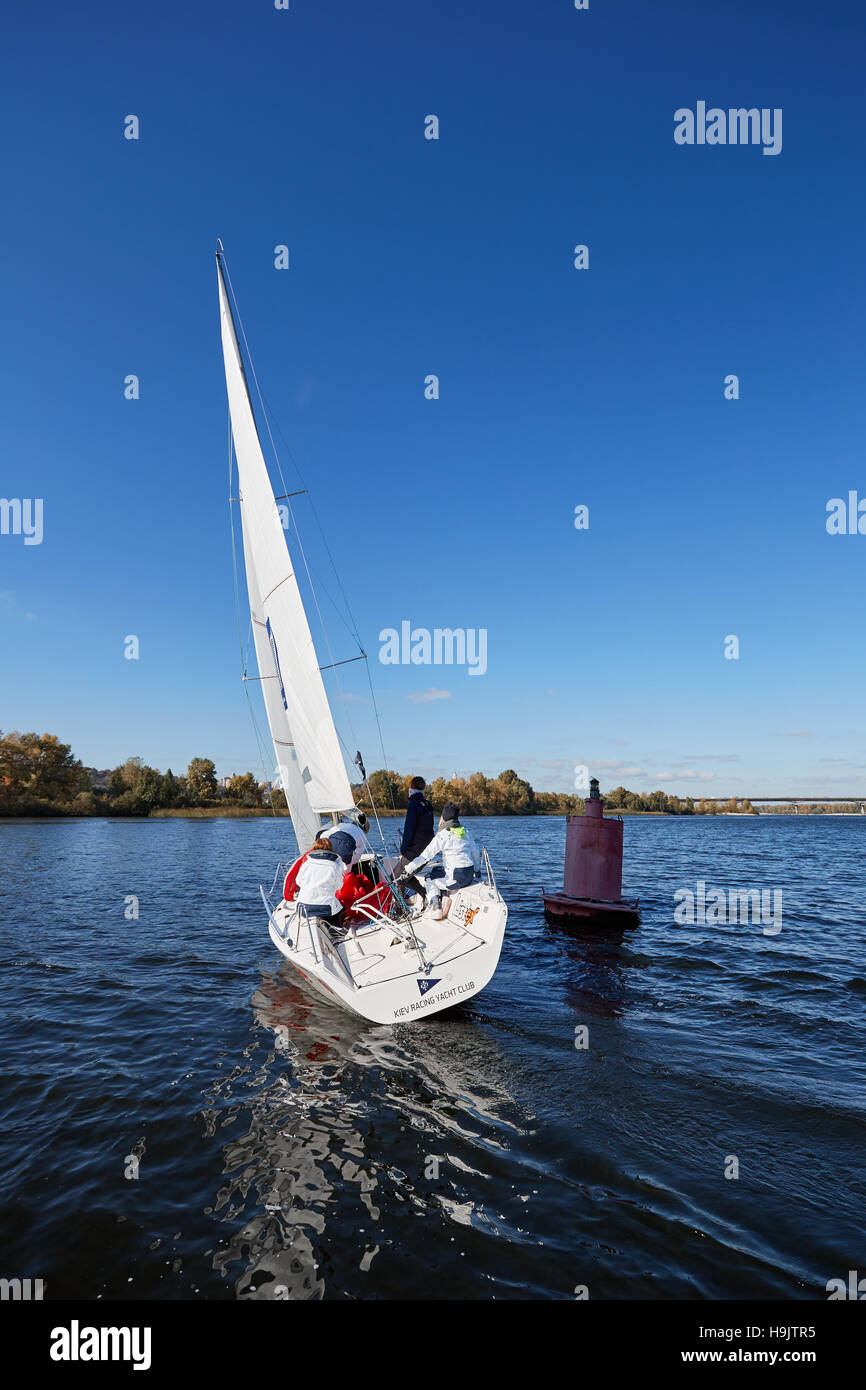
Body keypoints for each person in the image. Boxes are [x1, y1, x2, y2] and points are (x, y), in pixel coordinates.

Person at [399, 802, 481, 920]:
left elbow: (426, 856)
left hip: (456, 880)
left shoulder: (443, 835)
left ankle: (436, 908)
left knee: (429, 878)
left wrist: (408, 869)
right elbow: (476, 852)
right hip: (469, 877)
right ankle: (444, 899)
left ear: (444, 818)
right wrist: (477, 870)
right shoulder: (465, 832)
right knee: (437, 869)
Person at [393, 776, 434, 899]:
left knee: (396, 877)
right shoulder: (427, 804)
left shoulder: (413, 804)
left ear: (412, 787)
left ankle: (400, 909)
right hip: (427, 850)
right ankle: (424, 894)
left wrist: (403, 850)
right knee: (406, 876)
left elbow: (409, 830)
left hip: (414, 851)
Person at [294, 836, 345, 931]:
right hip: (326, 908)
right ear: (330, 849)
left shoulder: (307, 863)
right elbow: (339, 886)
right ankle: (334, 930)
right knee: (342, 910)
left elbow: (298, 882)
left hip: (303, 907)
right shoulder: (335, 865)